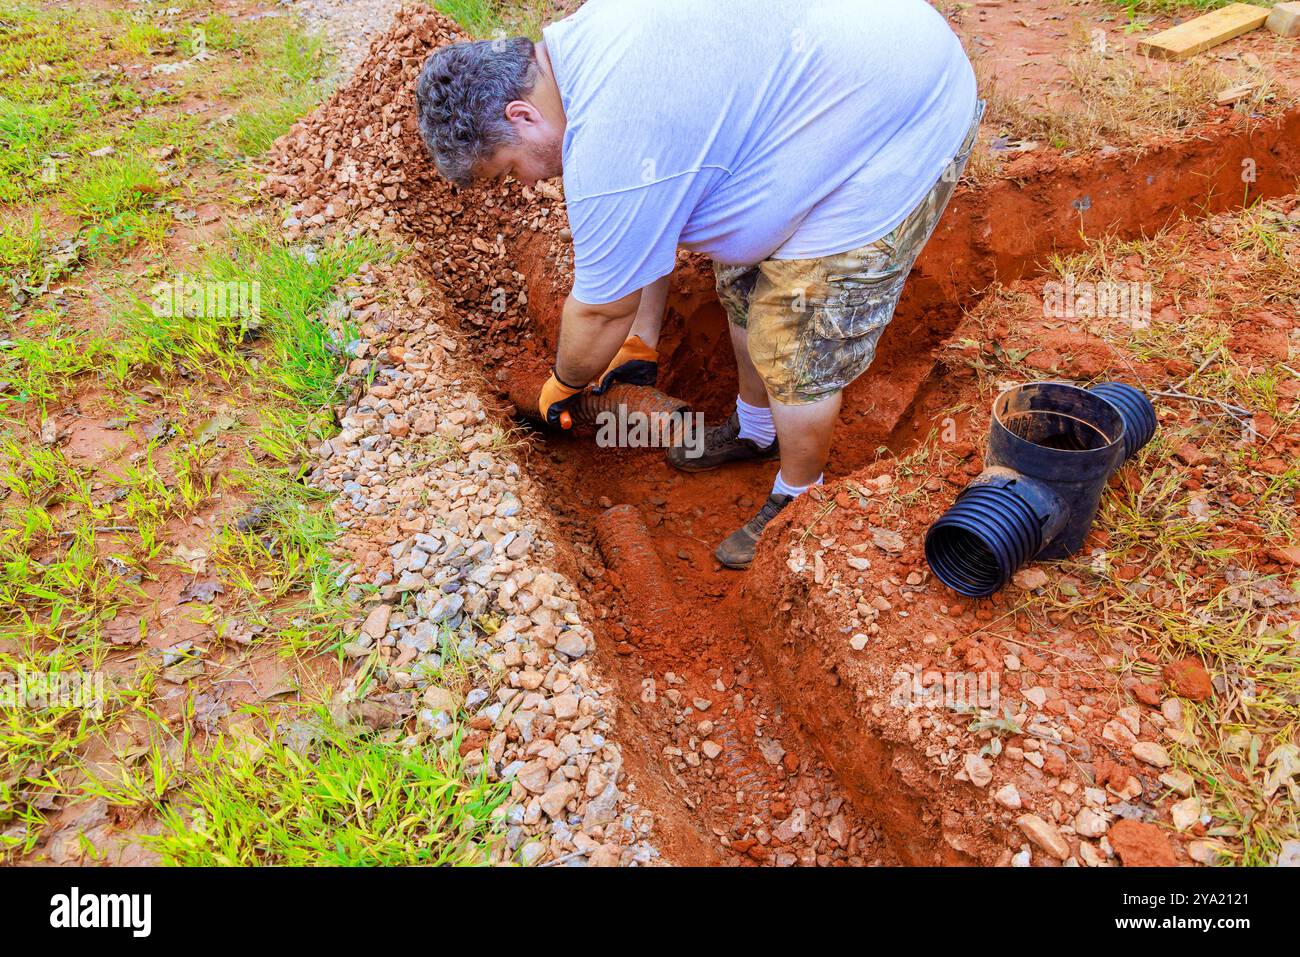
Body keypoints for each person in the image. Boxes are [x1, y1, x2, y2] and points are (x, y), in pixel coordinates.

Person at [416, 0, 981, 568]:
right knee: (742, 286)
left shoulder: (608, 145)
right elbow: (643, 245)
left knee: (796, 335)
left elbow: (600, 311)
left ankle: (799, 497)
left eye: (511, 168)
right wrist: (638, 345)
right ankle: (757, 431)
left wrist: (564, 384)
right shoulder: (580, 49)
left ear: (521, 115)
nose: (529, 182)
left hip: (900, 110)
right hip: (830, 83)